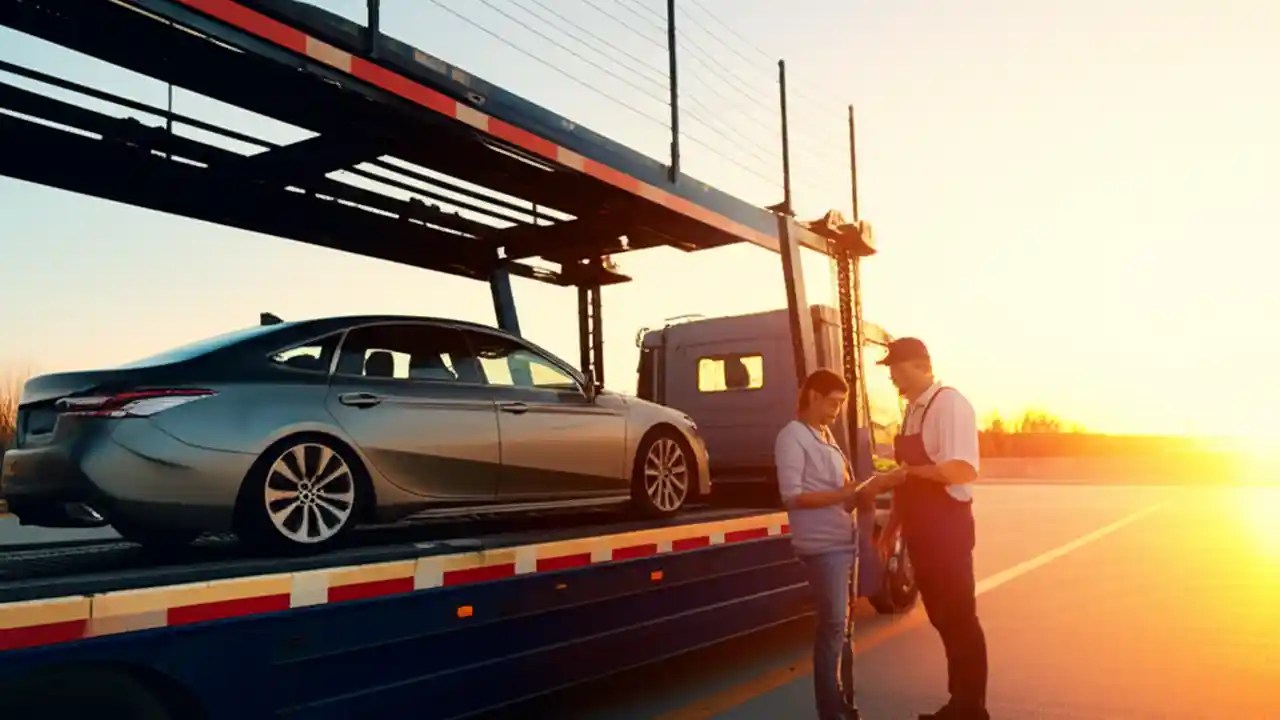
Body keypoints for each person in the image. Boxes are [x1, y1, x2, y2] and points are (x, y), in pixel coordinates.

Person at [856, 337, 989, 720]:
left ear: (919, 365)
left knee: (960, 618)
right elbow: (908, 483)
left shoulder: (949, 404)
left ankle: (972, 709)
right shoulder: (912, 412)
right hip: (921, 531)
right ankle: (958, 703)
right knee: (942, 617)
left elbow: (962, 469)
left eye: (895, 369)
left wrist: (905, 474)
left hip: (947, 530)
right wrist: (893, 528)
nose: (892, 378)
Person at [774, 368, 864, 720]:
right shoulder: (792, 437)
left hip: (844, 542)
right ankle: (831, 711)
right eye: (833, 402)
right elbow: (793, 496)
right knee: (832, 628)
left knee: (843, 630)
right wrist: (844, 493)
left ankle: (844, 704)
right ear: (813, 396)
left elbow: (840, 489)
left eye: (840, 404)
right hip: (823, 547)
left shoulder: (825, 435)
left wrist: (860, 493)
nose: (837, 411)